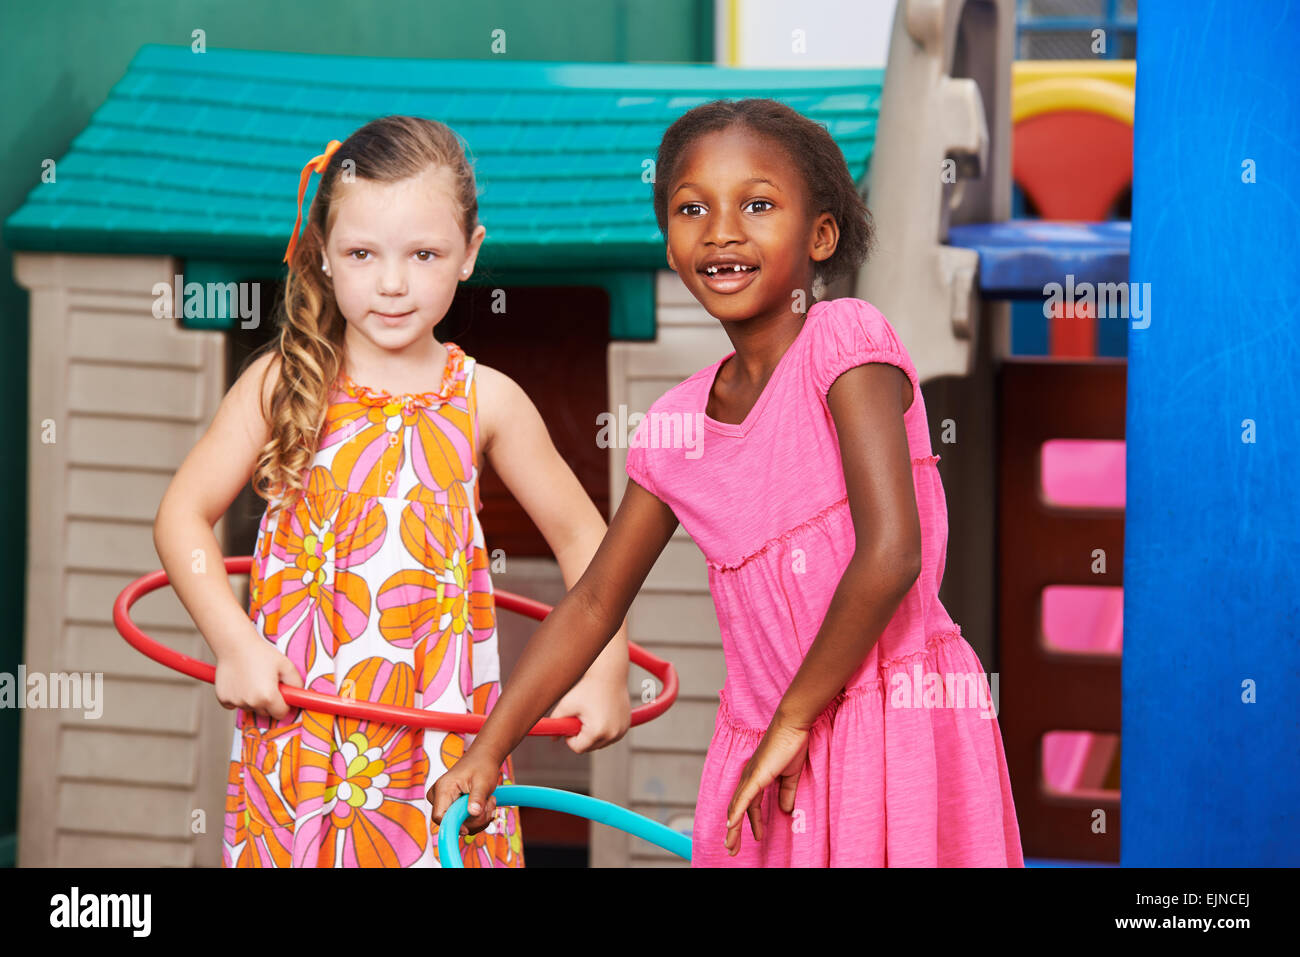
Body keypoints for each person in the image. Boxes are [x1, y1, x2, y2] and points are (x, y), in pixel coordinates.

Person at [431, 98, 1025, 866]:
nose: (721, 229)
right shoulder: (676, 431)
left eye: (757, 203)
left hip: (888, 722)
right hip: (769, 753)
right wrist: (488, 749)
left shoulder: (845, 341)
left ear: (821, 234)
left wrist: (793, 720)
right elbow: (593, 602)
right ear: (670, 244)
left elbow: (890, 554)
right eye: (691, 208)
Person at [152, 115, 633, 867]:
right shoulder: (282, 383)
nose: (393, 282)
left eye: (425, 253)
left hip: (442, 740)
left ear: (470, 254)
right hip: (303, 740)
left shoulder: (487, 399)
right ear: (324, 255)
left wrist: (606, 671)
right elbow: (183, 513)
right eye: (362, 253)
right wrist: (233, 640)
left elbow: (588, 541)